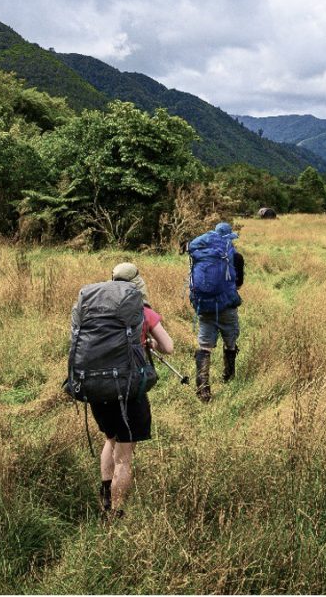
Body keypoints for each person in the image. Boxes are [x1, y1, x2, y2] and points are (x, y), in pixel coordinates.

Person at [88, 262, 173, 520]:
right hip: (128, 390)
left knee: (109, 440)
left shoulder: (96, 308)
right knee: (124, 457)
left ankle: (105, 496)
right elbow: (168, 347)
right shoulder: (143, 311)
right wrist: (150, 341)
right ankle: (114, 512)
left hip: (98, 387)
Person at [189, 222, 245, 403]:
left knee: (204, 346)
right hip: (227, 307)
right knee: (230, 342)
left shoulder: (201, 256)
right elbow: (239, 284)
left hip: (204, 307)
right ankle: (228, 377)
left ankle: (203, 390)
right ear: (229, 237)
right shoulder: (235, 257)